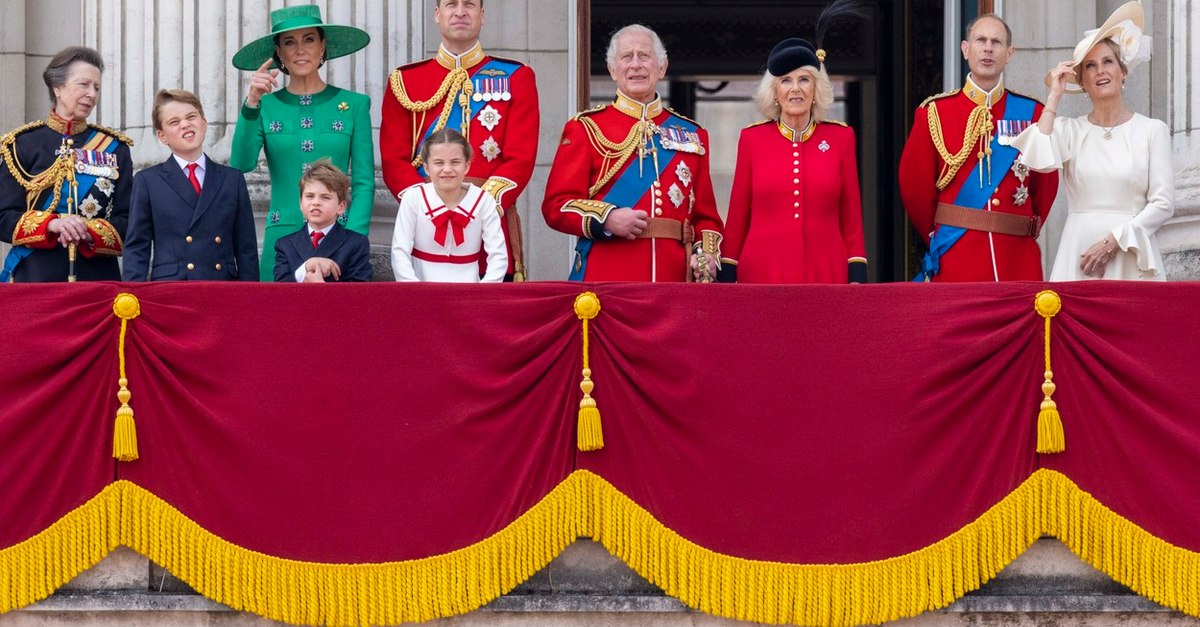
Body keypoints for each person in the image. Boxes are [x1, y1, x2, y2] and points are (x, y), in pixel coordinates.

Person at [542, 24, 723, 282]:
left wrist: (705, 255)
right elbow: (556, 205)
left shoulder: (693, 133)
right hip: (608, 277)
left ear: (662, 67)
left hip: (673, 279)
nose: (635, 65)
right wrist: (607, 219)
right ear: (612, 70)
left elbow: (707, 218)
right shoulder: (586, 127)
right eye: (627, 57)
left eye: (644, 56)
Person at [1012, 1, 1171, 281]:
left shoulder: (1151, 130)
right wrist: (1054, 96)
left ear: (1123, 72)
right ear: (1083, 82)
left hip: (1129, 253)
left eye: (1108, 62)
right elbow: (1037, 159)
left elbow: (1163, 205)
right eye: (1090, 66)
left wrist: (1113, 242)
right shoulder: (1070, 130)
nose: (1100, 71)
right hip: (1080, 253)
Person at [381, 0, 539, 281]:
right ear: (437, 14)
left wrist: (478, 210)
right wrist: (428, 208)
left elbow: (520, 159)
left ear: (482, 15)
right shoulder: (405, 81)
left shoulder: (516, 77)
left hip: (488, 232)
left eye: (469, 4)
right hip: (425, 231)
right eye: (451, 4)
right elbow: (394, 161)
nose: (460, 11)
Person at [899, 13, 1059, 282]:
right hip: (957, 255)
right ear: (965, 49)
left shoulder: (1033, 113)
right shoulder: (934, 112)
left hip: (1016, 258)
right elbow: (915, 188)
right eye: (980, 40)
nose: (988, 48)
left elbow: (1046, 184)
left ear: (1009, 53)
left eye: (996, 42)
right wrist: (944, 232)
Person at [230, 5, 374, 281]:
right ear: (279, 53)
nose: (299, 50)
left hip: (339, 238)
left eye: (309, 39)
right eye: (289, 42)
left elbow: (364, 183)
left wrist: (352, 242)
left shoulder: (354, 105)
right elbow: (240, 164)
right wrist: (251, 103)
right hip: (281, 238)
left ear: (322, 46)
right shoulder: (265, 106)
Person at [721, 36, 867, 283]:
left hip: (826, 272)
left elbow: (851, 217)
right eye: (786, 80)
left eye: (804, 79)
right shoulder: (752, 139)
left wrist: (857, 274)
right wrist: (727, 273)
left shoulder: (841, 138)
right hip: (762, 273)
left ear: (816, 89)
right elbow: (737, 217)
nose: (795, 88)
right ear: (775, 92)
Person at [0, 46, 131, 282]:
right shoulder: (23, 144)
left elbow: (128, 220)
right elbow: (3, 217)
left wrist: (88, 231)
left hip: (97, 277)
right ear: (58, 88)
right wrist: (52, 225)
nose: (92, 94)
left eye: (97, 87)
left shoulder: (115, 148)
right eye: (84, 84)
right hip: (36, 275)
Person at [123, 89, 259, 281]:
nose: (185, 124)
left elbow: (246, 249)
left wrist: (249, 295)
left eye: (191, 117)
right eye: (174, 122)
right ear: (162, 136)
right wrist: (132, 294)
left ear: (204, 123)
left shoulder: (232, 179)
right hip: (171, 288)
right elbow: (137, 247)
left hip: (222, 286)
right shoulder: (148, 181)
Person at [391, 129, 507, 282]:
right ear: (426, 168)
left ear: (467, 166)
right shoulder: (413, 198)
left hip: (470, 292)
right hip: (421, 290)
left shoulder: (484, 200)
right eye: (438, 163)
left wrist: (483, 292)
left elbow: (498, 256)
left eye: (455, 162)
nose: (447, 169)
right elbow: (399, 251)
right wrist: (413, 290)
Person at [274, 160, 373, 283]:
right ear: (300, 203)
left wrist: (321, 288)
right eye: (309, 196)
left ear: (341, 207)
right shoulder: (285, 245)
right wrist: (306, 267)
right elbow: (279, 288)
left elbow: (359, 289)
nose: (316, 202)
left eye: (325, 197)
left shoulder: (356, 243)